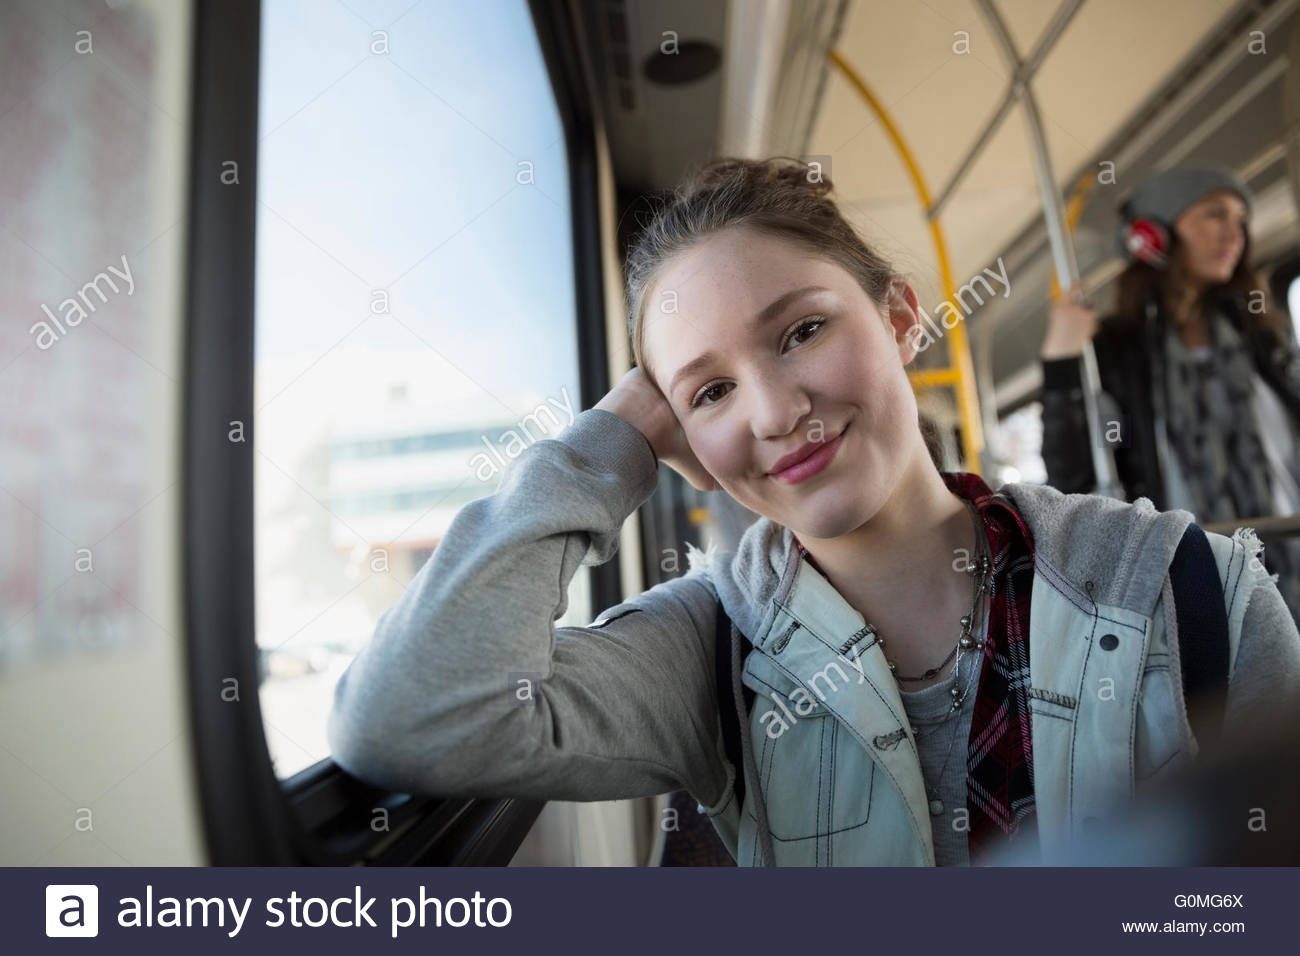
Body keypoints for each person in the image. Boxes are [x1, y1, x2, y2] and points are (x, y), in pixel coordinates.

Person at [327, 157, 1300, 867]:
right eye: (706, 393)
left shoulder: (1193, 590)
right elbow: (406, 716)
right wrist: (610, 442)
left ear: (901, 316)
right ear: (683, 449)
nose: (774, 411)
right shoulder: (707, 652)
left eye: (799, 331)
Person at [1040, 165, 1300, 623]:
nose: (1234, 233)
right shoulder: (1118, 353)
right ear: (1151, 236)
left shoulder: (1262, 337)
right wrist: (1061, 362)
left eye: (1240, 219)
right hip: (1197, 587)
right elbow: (1072, 478)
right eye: (1214, 214)